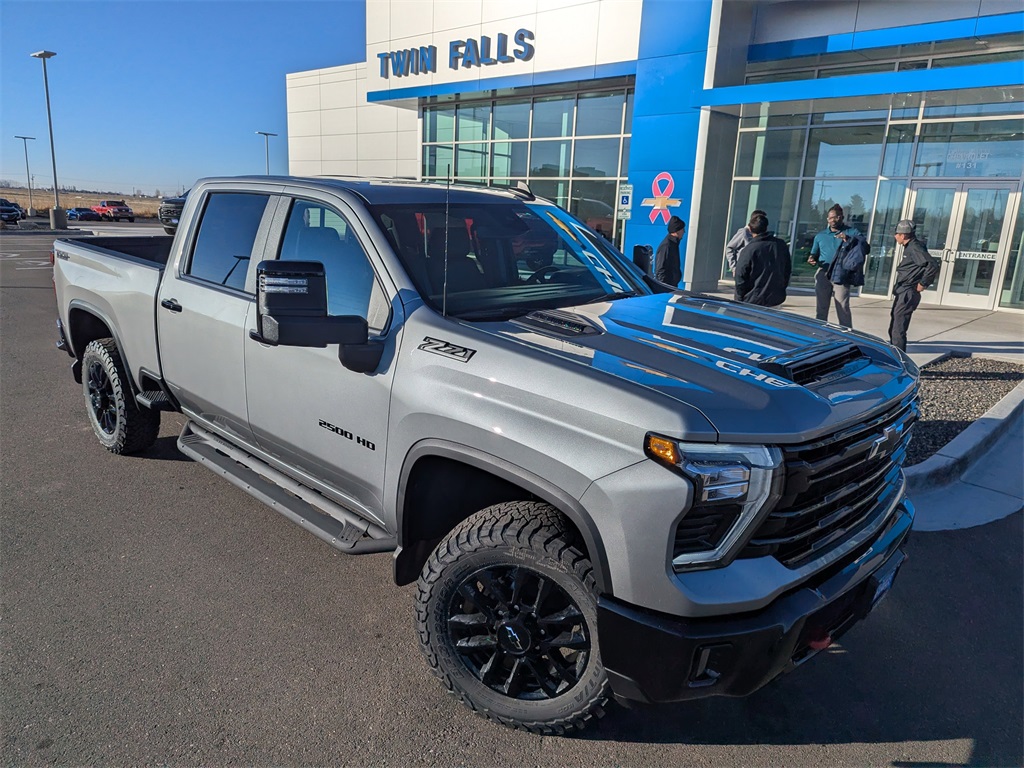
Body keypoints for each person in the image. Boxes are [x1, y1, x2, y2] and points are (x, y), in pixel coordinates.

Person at [888, 219, 940, 352]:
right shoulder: (911, 247)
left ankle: (899, 359)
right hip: (903, 290)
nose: (895, 236)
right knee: (894, 325)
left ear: (903, 235)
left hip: (908, 291)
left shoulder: (915, 248)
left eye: (897, 234)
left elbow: (932, 265)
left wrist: (923, 283)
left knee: (898, 328)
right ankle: (895, 354)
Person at [808, 204, 863, 326]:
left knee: (842, 307)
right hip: (823, 273)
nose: (833, 220)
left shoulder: (851, 232)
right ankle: (820, 333)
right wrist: (812, 259)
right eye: (830, 217)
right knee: (821, 308)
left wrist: (849, 238)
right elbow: (814, 254)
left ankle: (847, 334)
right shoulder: (820, 236)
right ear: (827, 219)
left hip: (841, 274)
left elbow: (865, 246)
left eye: (836, 217)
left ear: (841, 217)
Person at [734, 212, 792, 307]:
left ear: (750, 229)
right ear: (766, 227)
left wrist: (739, 299)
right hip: (775, 299)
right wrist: (781, 288)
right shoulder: (781, 245)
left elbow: (740, 275)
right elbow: (787, 270)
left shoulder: (750, 249)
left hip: (753, 300)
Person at [724, 209, 766, 274]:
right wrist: (734, 268)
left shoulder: (760, 235)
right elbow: (729, 248)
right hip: (743, 269)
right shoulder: (744, 232)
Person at [655, 215, 685, 286]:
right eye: (683, 230)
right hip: (667, 286)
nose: (684, 232)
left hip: (672, 284)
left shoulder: (673, 244)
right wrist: (663, 287)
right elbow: (660, 269)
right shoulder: (666, 246)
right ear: (677, 231)